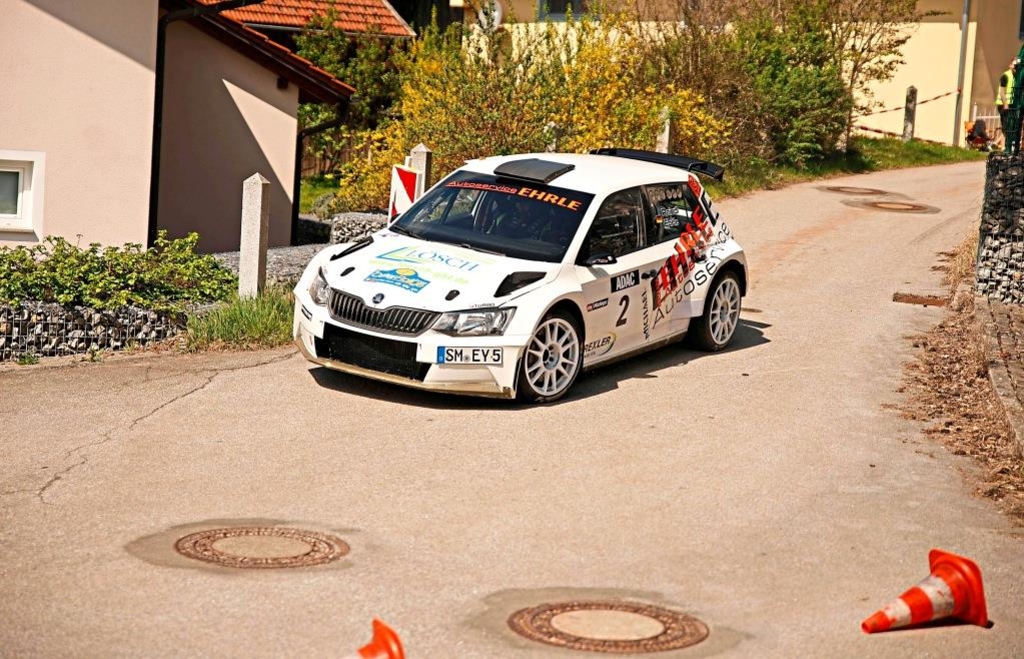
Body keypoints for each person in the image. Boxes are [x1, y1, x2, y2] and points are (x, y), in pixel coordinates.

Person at [997, 58, 1018, 135]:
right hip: (1004, 105)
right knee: (1006, 127)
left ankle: (999, 144)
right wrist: (1006, 104)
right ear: (1010, 65)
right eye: (1014, 65)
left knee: (1011, 127)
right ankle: (1004, 145)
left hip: (1012, 105)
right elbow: (1002, 91)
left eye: (1017, 65)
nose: (1015, 67)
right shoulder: (1006, 75)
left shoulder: (1017, 77)